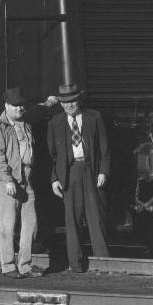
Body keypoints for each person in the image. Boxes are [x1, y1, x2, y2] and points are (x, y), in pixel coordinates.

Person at [0, 87, 57, 279]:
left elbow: (37, 111)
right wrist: (8, 180)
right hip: (7, 180)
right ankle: (8, 266)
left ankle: (25, 265)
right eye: (15, 106)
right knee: (7, 225)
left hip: (26, 177)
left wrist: (50, 102)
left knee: (30, 223)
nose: (19, 109)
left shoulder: (24, 120)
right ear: (6, 106)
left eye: (21, 106)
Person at [48, 82, 111, 272]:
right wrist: (54, 179)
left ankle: (103, 262)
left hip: (91, 170)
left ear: (78, 100)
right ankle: (76, 264)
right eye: (65, 102)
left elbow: (105, 148)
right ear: (60, 104)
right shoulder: (55, 123)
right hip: (70, 173)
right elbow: (51, 155)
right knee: (72, 220)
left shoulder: (94, 117)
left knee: (96, 218)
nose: (69, 105)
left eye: (72, 101)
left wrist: (103, 171)